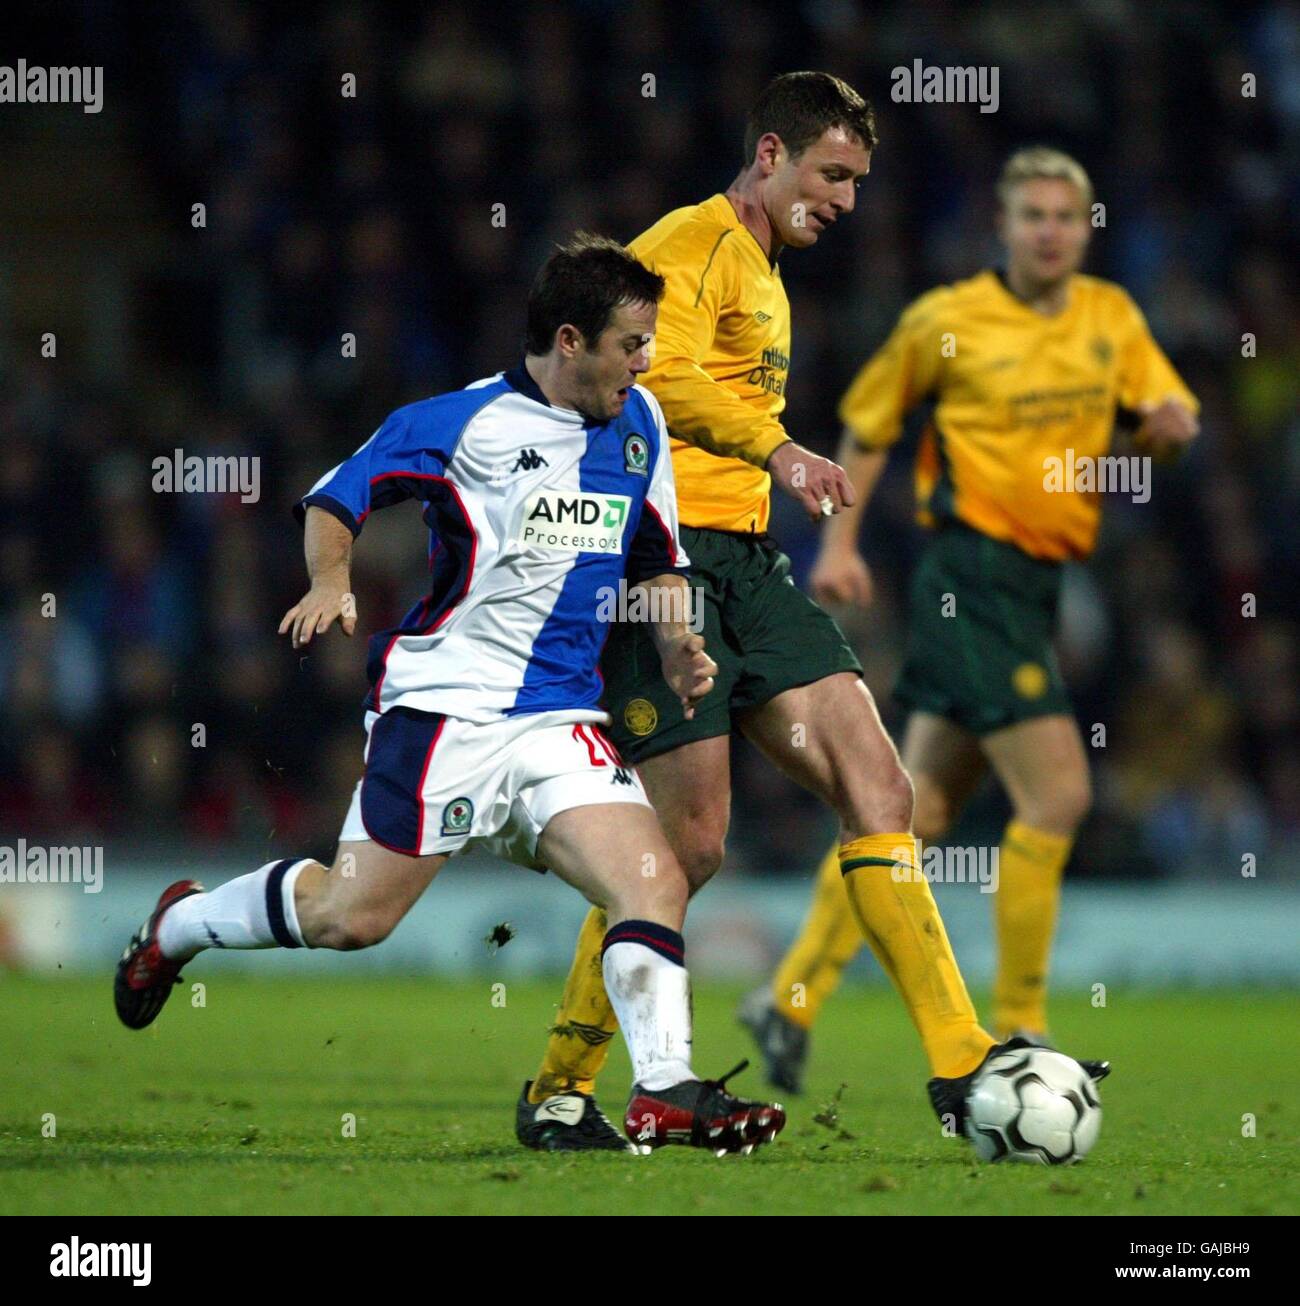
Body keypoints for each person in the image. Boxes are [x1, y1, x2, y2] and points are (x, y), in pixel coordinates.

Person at [114, 234, 785, 1156]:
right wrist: (329, 581)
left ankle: (663, 1087)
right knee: (352, 919)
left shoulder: (640, 428)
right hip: (449, 709)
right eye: (631, 344)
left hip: (558, 718)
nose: (647, 361)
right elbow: (335, 498)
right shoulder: (457, 424)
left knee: (655, 876)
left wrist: (679, 645)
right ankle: (179, 924)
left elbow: (658, 558)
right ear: (569, 339)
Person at [517, 75, 1089, 1154]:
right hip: (659, 567)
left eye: (859, 183)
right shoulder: (684, 247)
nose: (845, 200)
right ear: (769, 153)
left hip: (749, 563)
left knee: (881, 787)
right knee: (680, 852)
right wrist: (776, 446)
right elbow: (653, 378)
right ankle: (559, 1084)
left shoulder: (767, 268)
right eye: (832, 175)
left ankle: (964, 1064)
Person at [743, 146, 1197, 1093]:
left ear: (1085, 227)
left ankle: (787, 997)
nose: (1049, 231)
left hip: (1038, 583)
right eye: (1031, 215)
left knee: (916, 808)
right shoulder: (948, 321)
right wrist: (839, 544)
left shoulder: (1110, 317)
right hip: (972, 573)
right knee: (1060, 795)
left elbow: (1161, 403)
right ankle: (1024, 1024)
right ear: (1002, 226)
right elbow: (868, 427)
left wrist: (1166, 420)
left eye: (1066, 217)